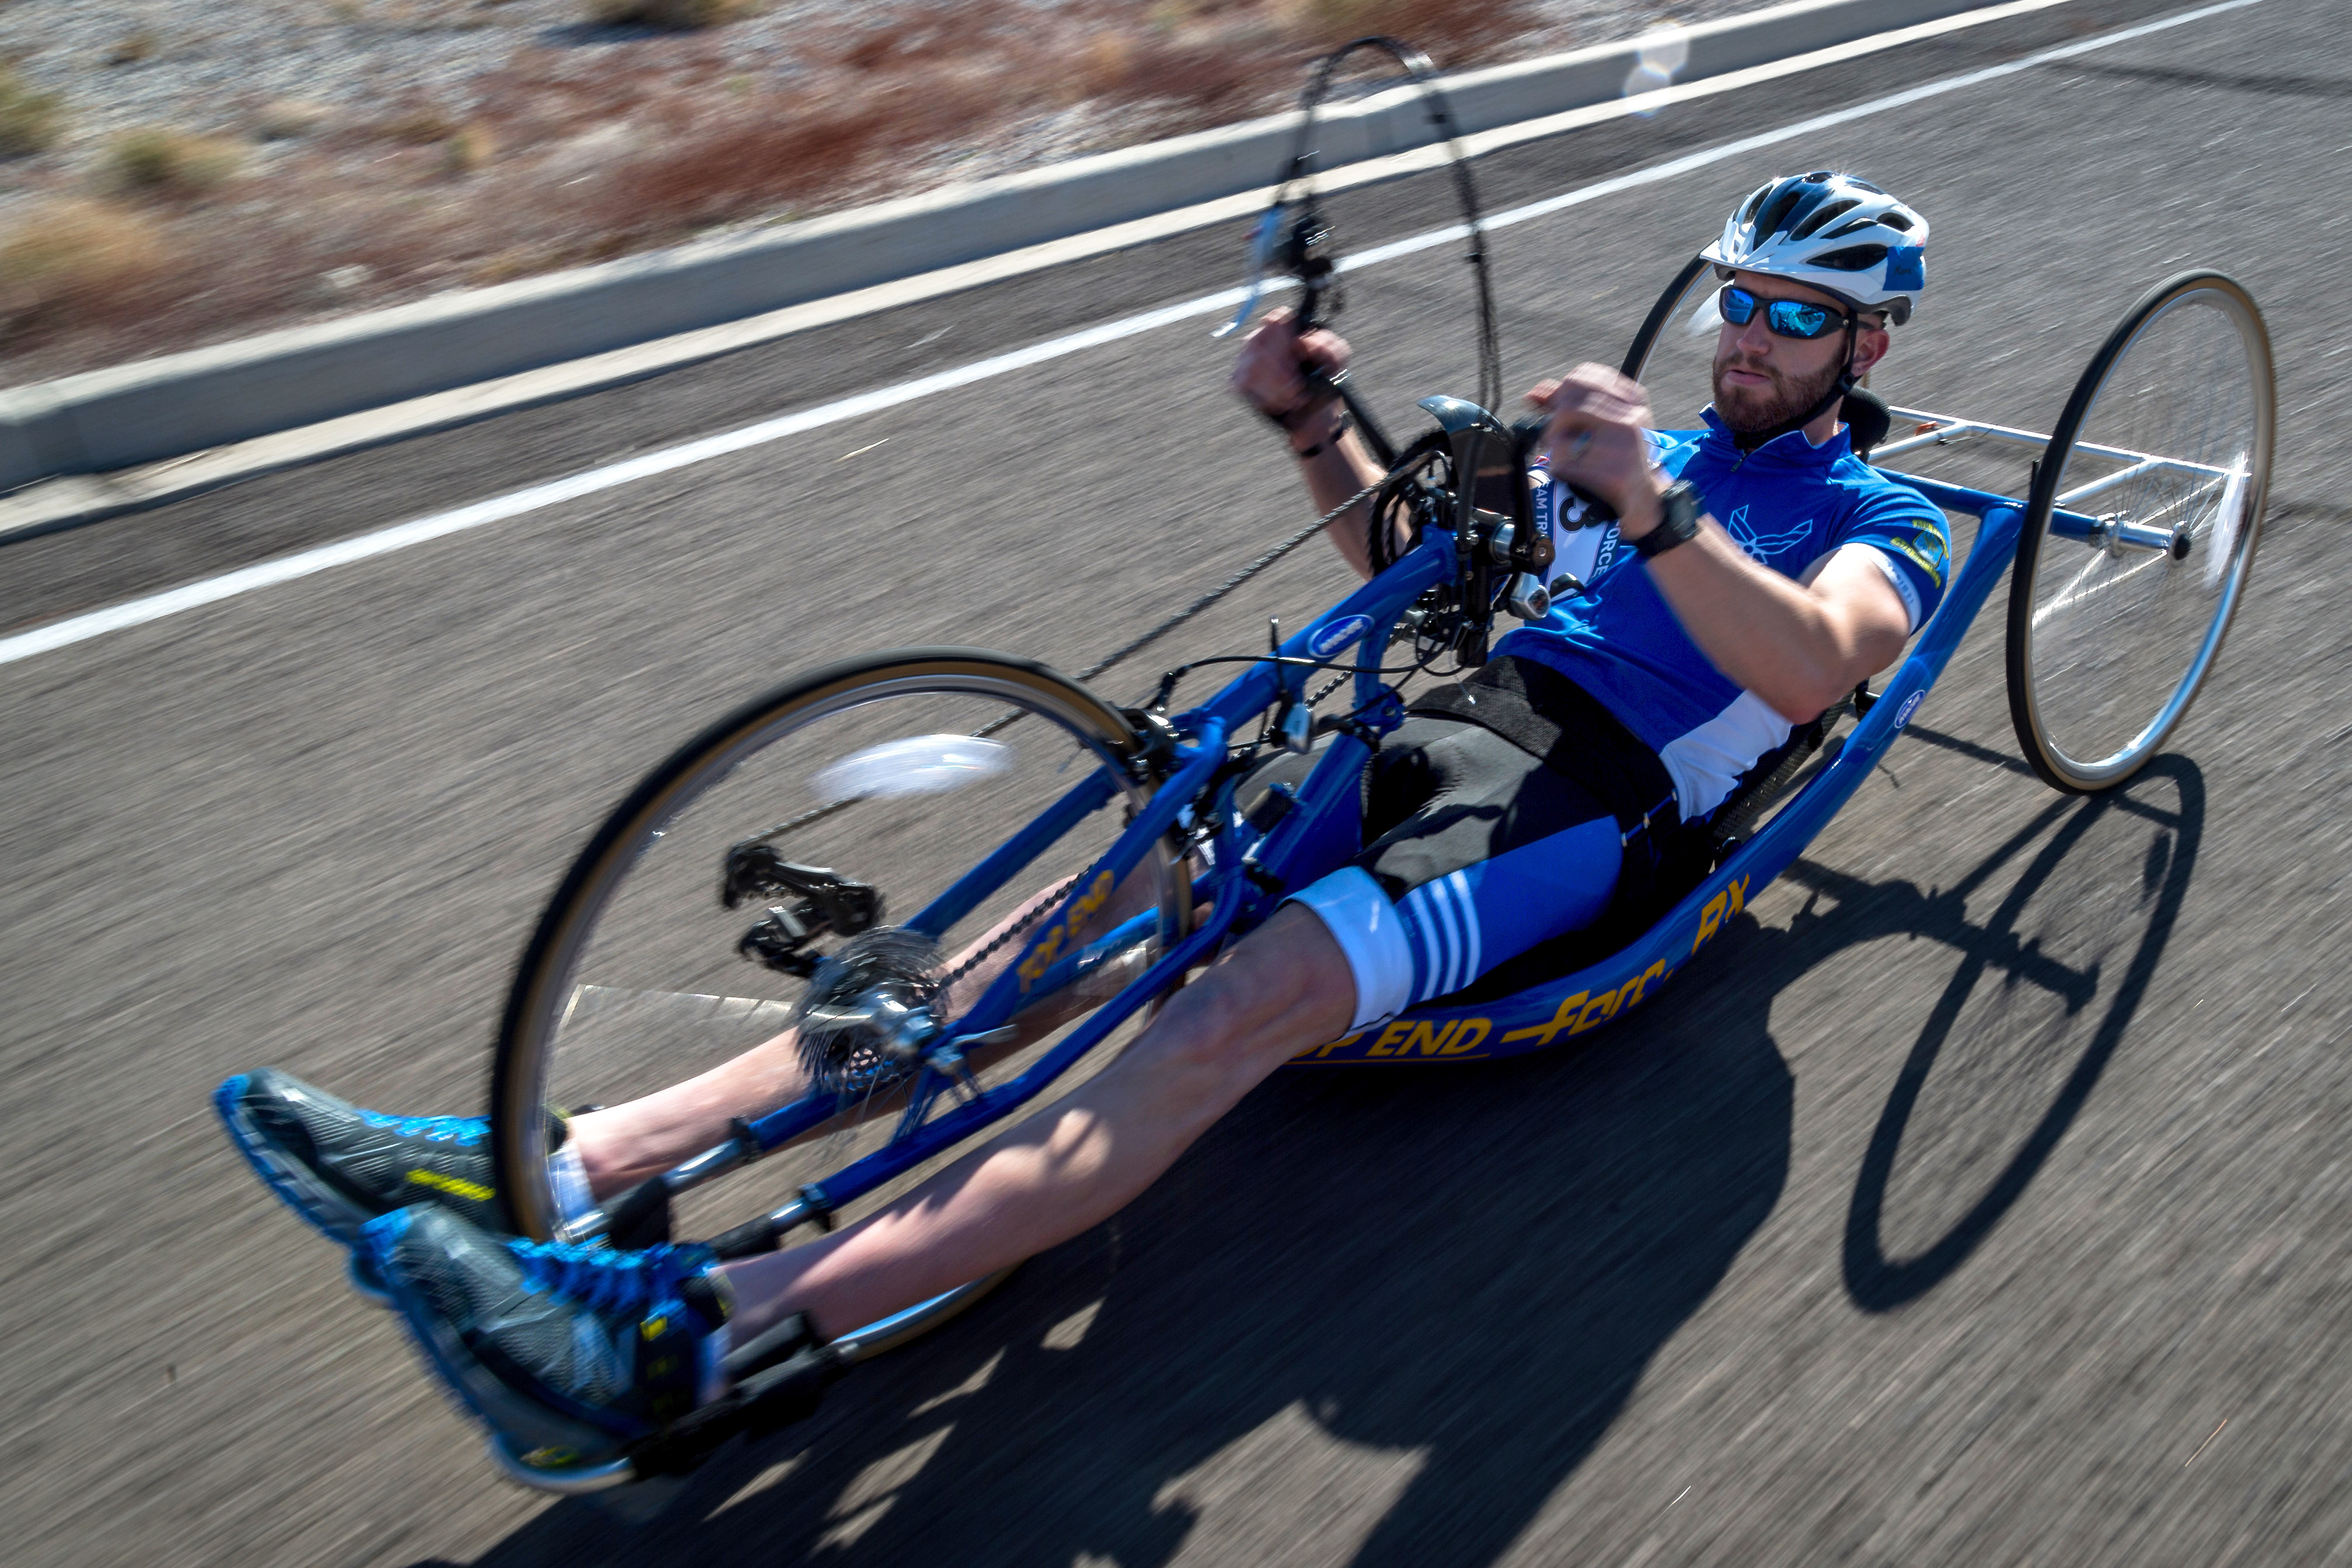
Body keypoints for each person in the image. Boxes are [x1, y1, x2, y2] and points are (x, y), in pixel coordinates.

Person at [217, 171, 1952, 1475]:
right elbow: (1414, 578)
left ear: (1866, 347)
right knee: (1042, 934)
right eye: (1741, 296)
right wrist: (1309, 428)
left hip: (1583, 814)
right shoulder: (1646, 464)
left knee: (1224, 1014)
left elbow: (1816, 671)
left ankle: (690, 1341)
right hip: (1442, 729)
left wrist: (1648, 513)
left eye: (1799, 316)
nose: (1749, 334)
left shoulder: (1879, 514)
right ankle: (576, 1168)